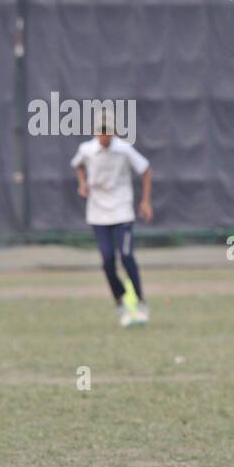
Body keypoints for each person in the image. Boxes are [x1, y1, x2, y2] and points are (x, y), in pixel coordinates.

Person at [71, 118, 152, 326]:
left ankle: (141, 299)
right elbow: (77, 165)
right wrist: (82, 184)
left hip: (122, 210)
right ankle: (119, 300)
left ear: (114, 133)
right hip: (98, 212)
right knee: (107, 260)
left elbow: (145, 169)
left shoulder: (124, 150)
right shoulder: (87, 149)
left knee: (126, 256)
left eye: (108, 133)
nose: (104, 137)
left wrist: (145, 202)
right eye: (101, 133)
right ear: (95, 133)